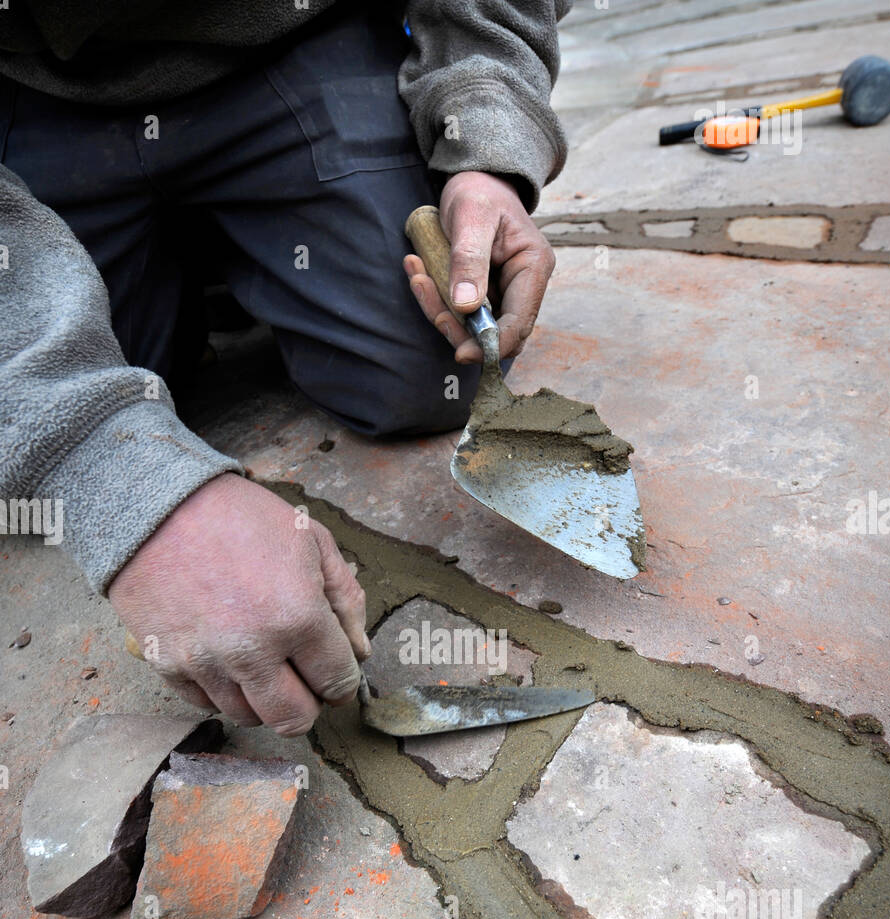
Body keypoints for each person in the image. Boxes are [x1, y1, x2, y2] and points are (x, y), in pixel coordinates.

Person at [0, 1, 567, 734]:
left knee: (433, 369)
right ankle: (203, 256)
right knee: (30, 429)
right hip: (36, 97)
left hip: (283, 45)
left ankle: (255, 237)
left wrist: (485, 139)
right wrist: (114, 478)